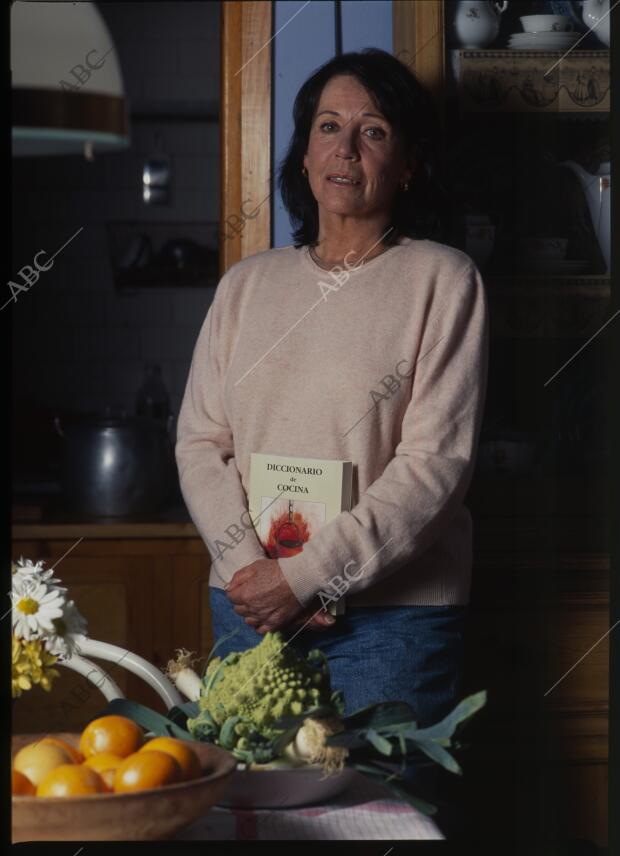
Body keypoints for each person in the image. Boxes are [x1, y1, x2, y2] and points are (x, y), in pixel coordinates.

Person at [175, 48, 489, 809]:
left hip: (393, 622)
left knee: (382, 819)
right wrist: (258, 575)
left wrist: (309, 577)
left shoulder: (442, 281)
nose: (346, 148)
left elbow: (435, 465)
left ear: (407, 165)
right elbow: (199, 443)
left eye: (374, 131)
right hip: (250, 602)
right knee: (258, 822)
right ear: (305, 152)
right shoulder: (247, 287)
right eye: (329, 126)